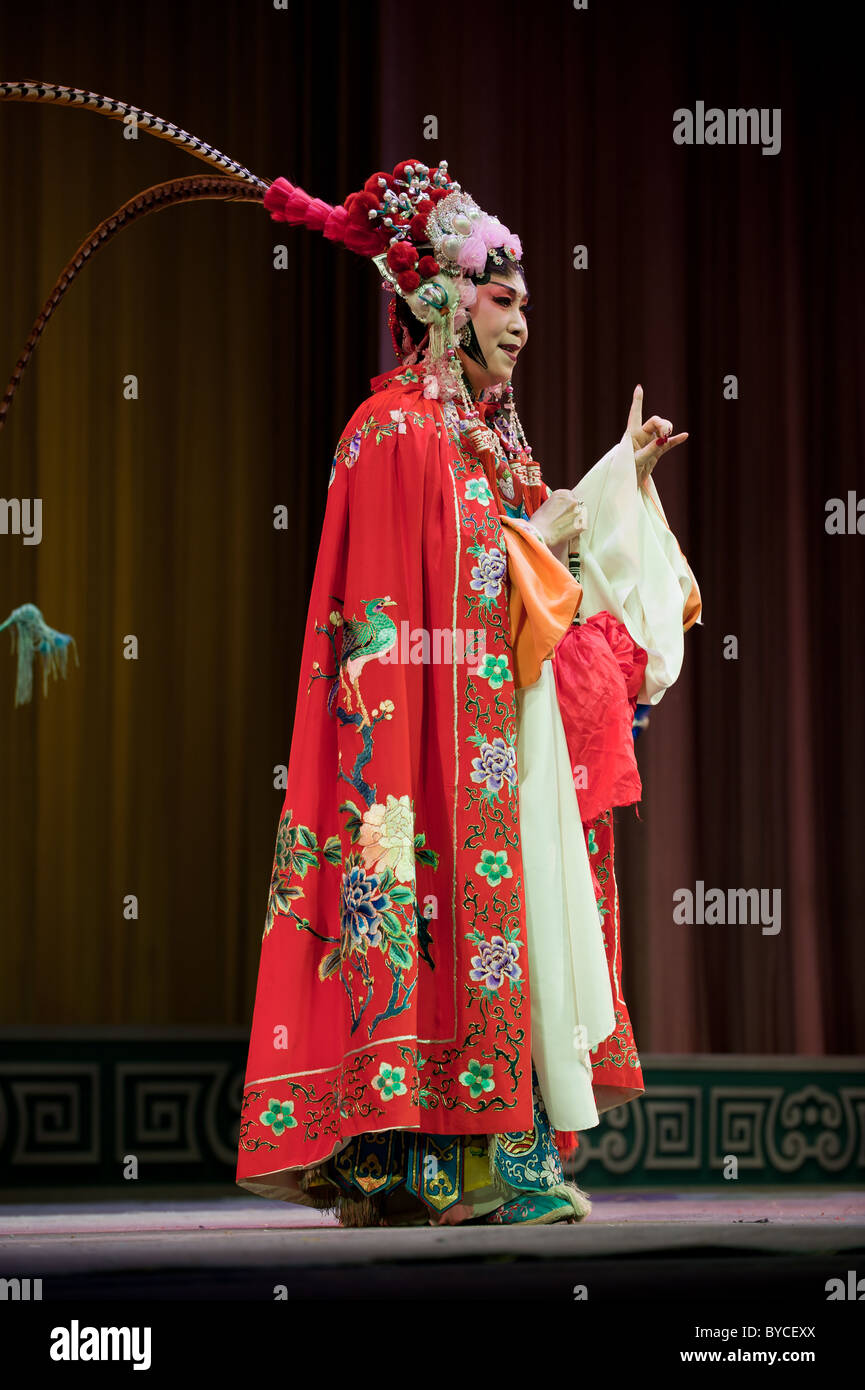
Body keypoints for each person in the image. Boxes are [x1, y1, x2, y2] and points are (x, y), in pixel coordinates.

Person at [234, 158, 702, 1227]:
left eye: (528, 302)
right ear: (438, 300)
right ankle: (418, 1156)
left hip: (498, 734)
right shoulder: (391, 433)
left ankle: (495, 1157)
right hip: (425, 739)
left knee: (518, 914)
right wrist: (539, 540)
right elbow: (434, 601)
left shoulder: (489, 435)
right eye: (504, 298)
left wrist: (617, 486)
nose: (524, 321)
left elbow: (541, 562)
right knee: (427, 907)